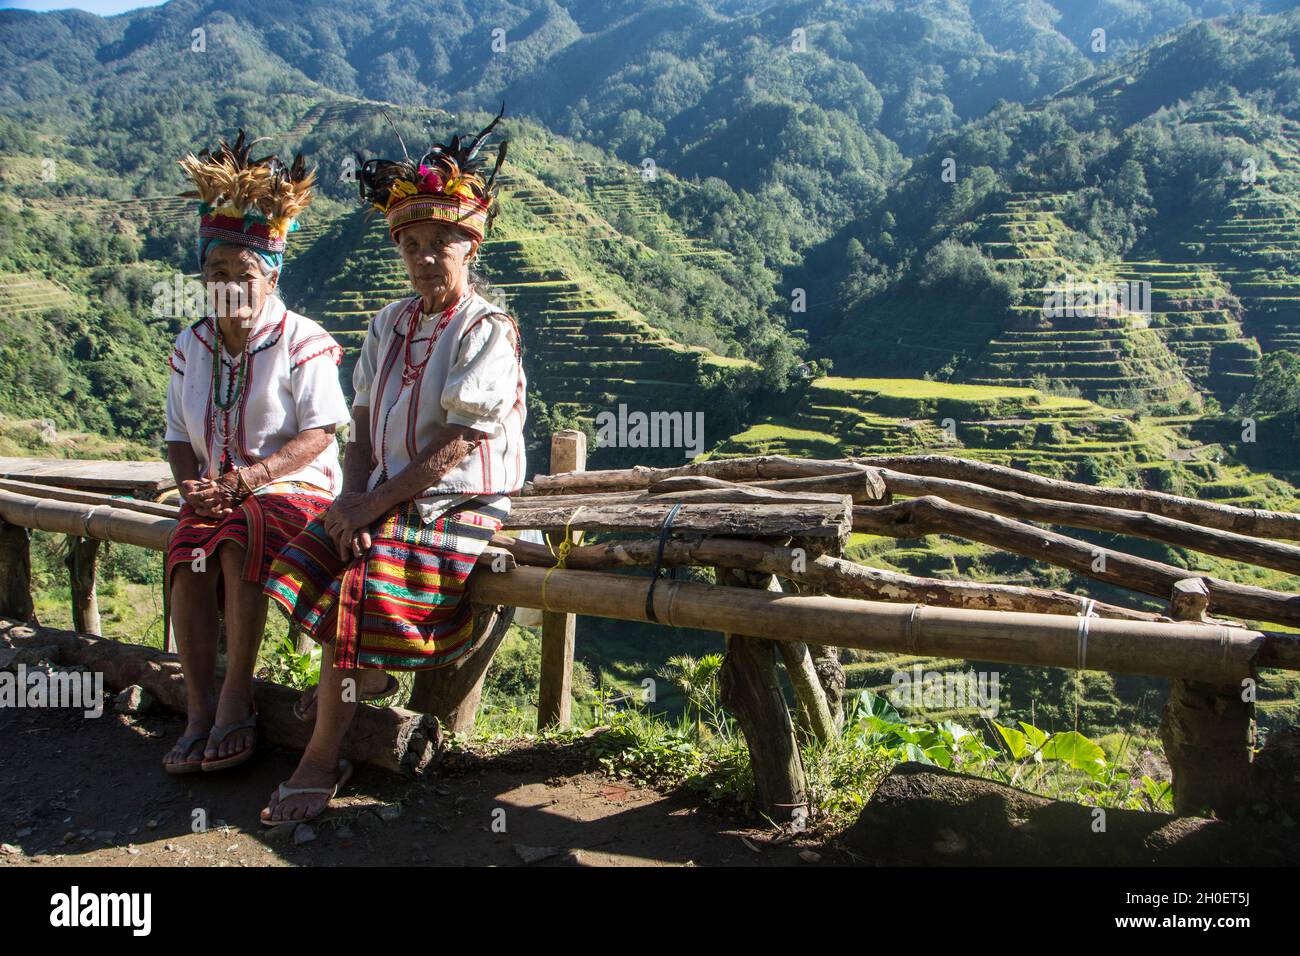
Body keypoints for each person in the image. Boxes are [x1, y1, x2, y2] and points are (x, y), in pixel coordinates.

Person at [260, 106, 527, 824]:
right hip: (388, 491)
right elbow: (364, 426)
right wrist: (351, 499)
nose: (423, 256)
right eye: (410, 243)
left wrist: (371, 508)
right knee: (307, 552)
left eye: (440, 242)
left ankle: (321, 757)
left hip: (460, 496)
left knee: (358, 583)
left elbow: (460, 444)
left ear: (470, 248)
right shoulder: (388, 322)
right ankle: (361, 680)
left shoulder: (487, 327)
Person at [162, 132, 350, 775]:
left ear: (270, 277)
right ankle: (197, 705)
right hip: (220, 491)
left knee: (239, 534)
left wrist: (249, 481)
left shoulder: (304, 341)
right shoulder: (192, 345)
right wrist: (193, 486)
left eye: (243, 276)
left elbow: (321, 433)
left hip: (296, 489)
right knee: (189, 548)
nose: (230, 289)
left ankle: (236, 697)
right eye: (216, 276)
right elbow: (176, 438)